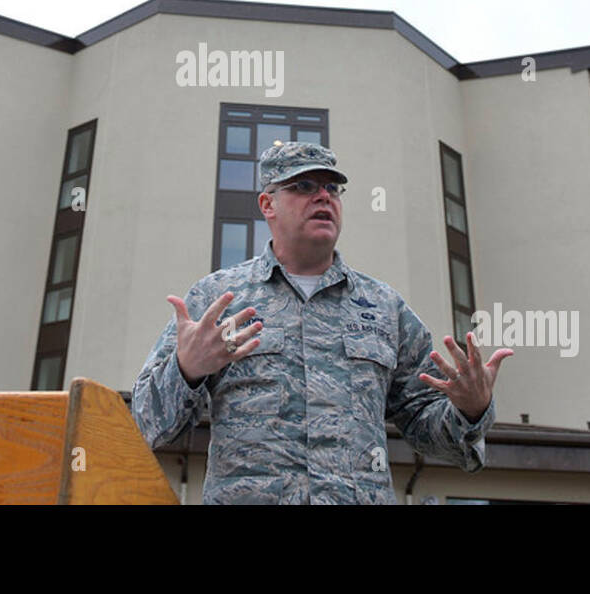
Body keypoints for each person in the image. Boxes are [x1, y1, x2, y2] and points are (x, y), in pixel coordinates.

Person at [131, 141, 513, 504]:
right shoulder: (217, 300)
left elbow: (430, 429)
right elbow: (146, 424)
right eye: (303, 185)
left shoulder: (384, 307)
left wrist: (471, 410)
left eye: (332, 188)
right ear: (268, 204)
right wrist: (187, 370)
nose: (323, 196)